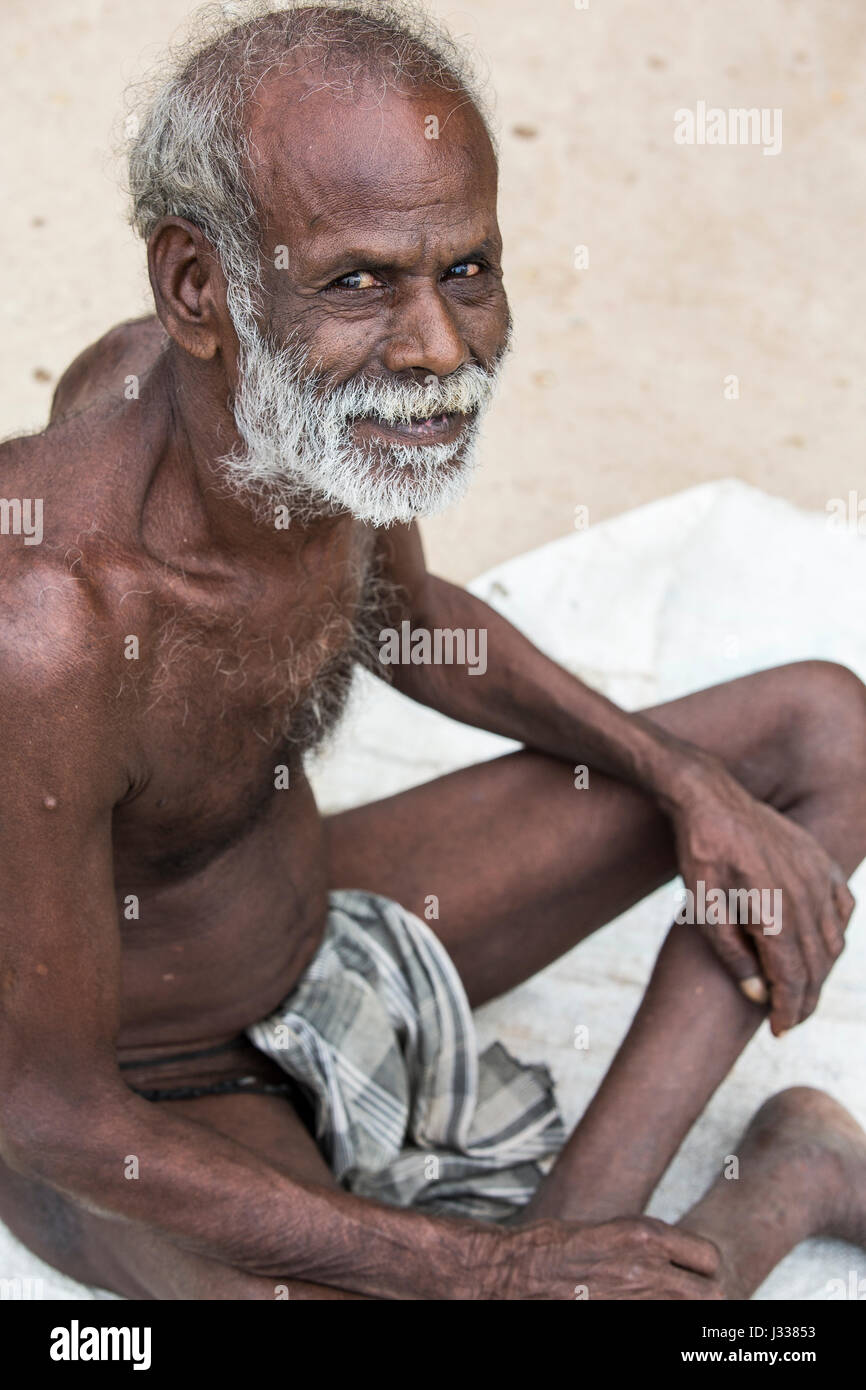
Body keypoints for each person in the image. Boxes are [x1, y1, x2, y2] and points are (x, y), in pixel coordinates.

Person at [1, 1, 864, 1300]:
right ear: (199, 288)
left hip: (317, 927)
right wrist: (490, 1270)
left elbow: (402, 616)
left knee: (818, 733)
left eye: (466, 268)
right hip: (146, 1092)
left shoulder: (301, 419)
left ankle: (597, 1228)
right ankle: (782, 1182)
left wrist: (685, 779)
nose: (440, 349)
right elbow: (49, 1108)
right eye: (358, 281)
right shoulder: (48, 621)